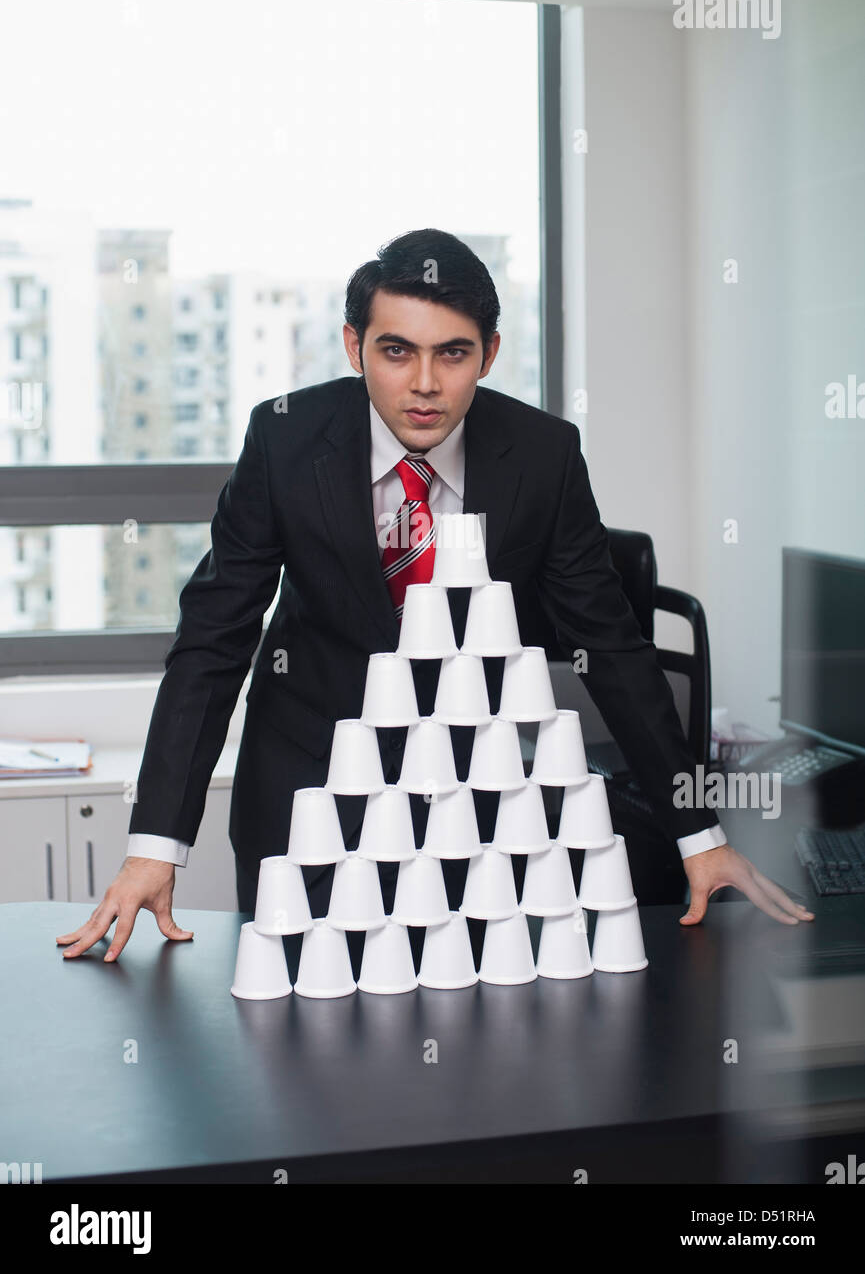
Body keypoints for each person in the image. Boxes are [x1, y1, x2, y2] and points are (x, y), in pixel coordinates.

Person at [57, 228, 814, 964]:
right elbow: (214, 641)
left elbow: (609, 643)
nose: (424, 383)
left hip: (471, 797)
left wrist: (698, 836)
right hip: (308, 782)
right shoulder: (284, 442)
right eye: (396, 351)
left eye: (451, 354)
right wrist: (155, 845)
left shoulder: (543, 455)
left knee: (476, 1024)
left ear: (487, 353)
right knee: (297, 1037)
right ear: (355, 347)